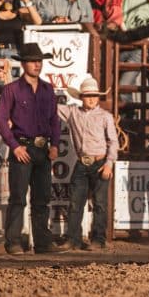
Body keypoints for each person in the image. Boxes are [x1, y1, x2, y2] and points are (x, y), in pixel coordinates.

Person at [0, 43, 64, 255]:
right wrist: (14, 147)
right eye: (33, 61)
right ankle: (13, 242)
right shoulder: (12, 89)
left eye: (39, 61)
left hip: (43, 149)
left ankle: (42, 242)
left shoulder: (47, 89)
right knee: (18, 197)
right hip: (23, 147)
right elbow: (0, 119)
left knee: (42, 198)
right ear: (23, 64)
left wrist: (54, 144)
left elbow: (54, 119)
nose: (37, 64)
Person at [56, 76, 118, 251]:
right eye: (88, 95)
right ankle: (73, 239)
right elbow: (51, 108)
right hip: (82, 162)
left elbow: (113, 142)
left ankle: (98, 239)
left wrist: (109, 164)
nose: (91, 99)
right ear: (81, 97)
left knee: (100, 203)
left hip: (100, 163)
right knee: (75, 203)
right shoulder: (72, 112)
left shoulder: (105, 116)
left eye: (94, 96)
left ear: (98, 97)